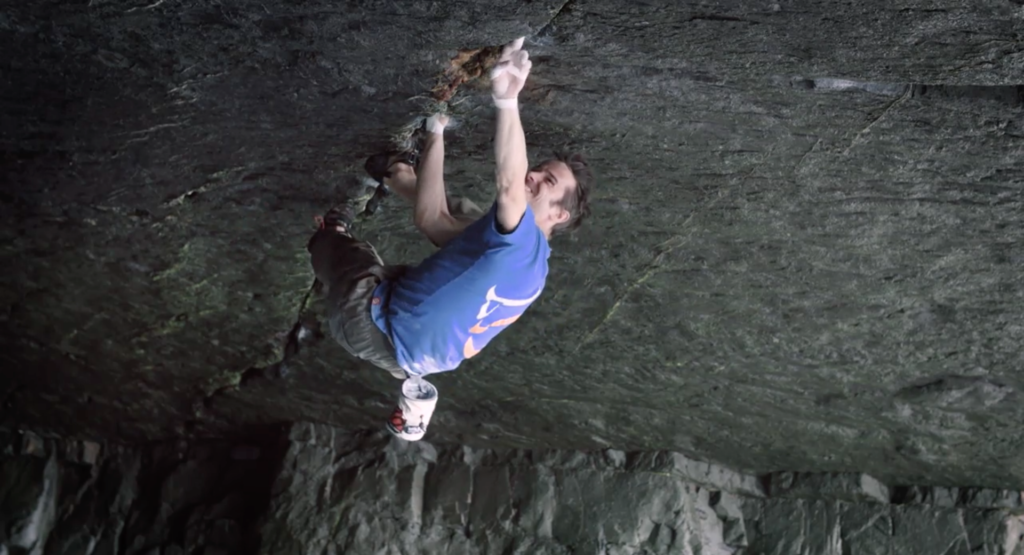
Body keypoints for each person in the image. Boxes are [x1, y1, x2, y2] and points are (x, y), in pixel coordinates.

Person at [306, 37, 594, 441]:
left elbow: (509, 183)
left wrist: (507, 99)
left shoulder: (521, 242)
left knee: (347, 255)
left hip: (368, 321)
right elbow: (434, 221)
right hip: (415, 357)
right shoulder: (531, 266)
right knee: (472, 220)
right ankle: (398, 174)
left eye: (547, 181)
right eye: (539, 169)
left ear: (559, 215)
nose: (532, 175)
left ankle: (329, 231)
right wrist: (434, 135)